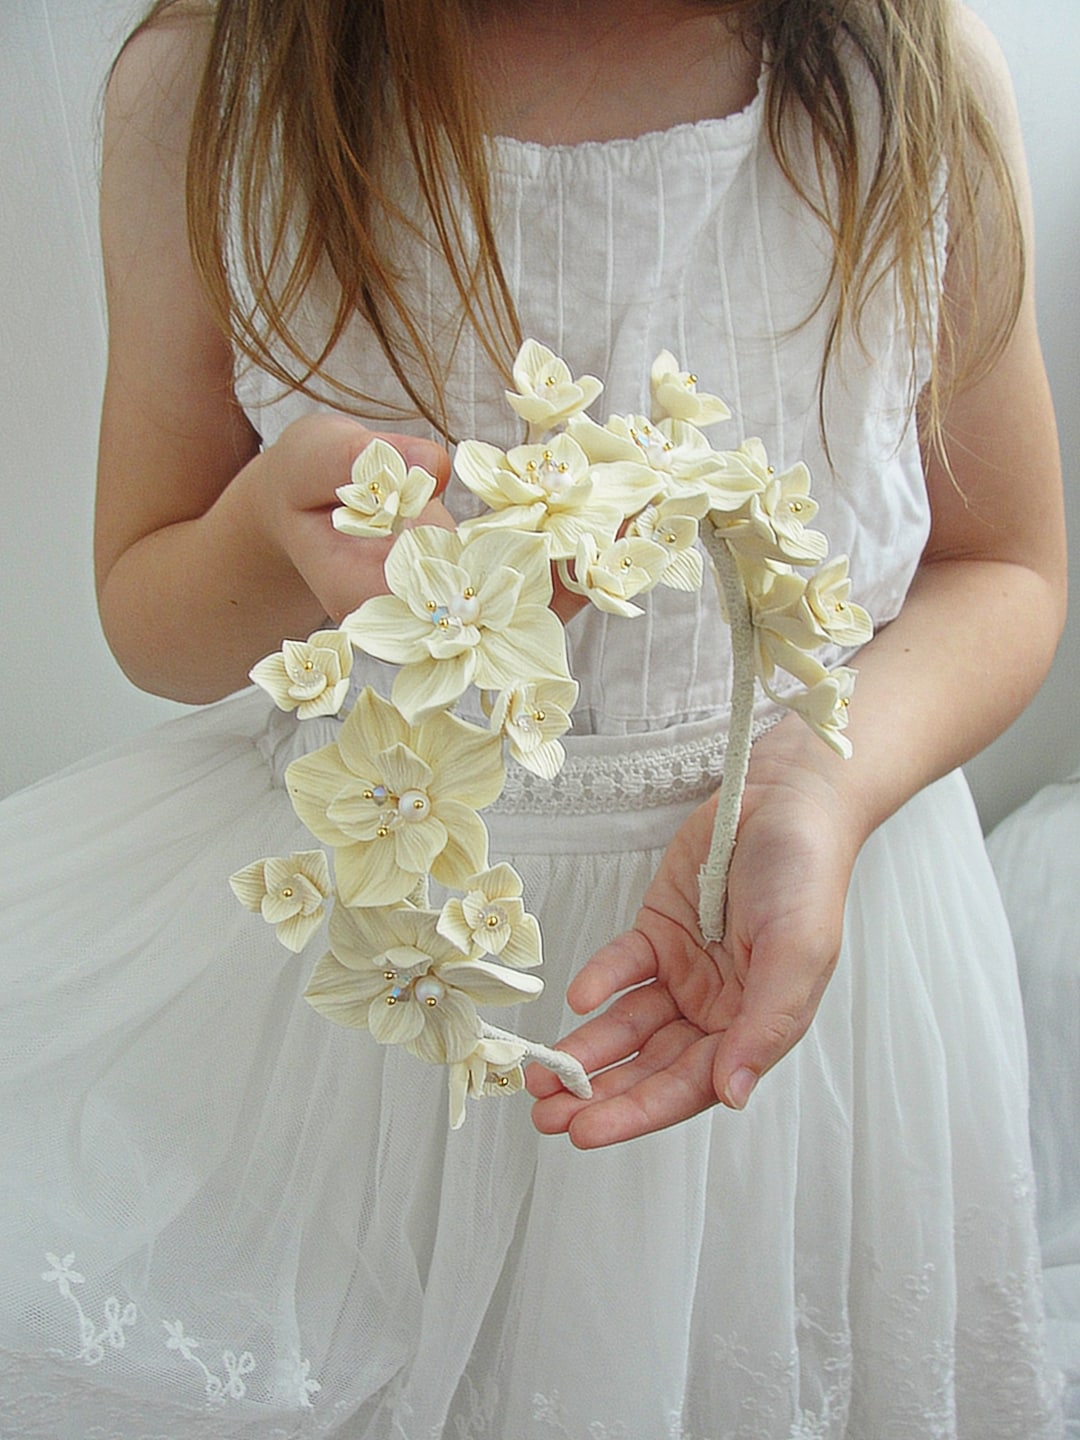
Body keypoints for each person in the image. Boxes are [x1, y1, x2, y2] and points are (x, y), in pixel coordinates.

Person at [0, 0, 1067, 1434]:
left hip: (808, 945)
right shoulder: (211, 90)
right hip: (377, 999)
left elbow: (1005, 566)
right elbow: (149, 607)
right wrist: (269, 536)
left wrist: (824, 783)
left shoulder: (907, 81)